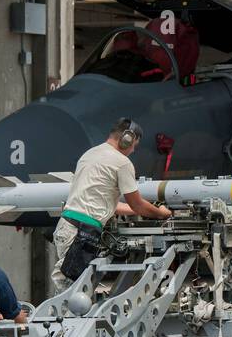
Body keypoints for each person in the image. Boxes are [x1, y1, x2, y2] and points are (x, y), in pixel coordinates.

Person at [52, 117, 172, 291]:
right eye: (133, 145)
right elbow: (137, 204)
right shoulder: (122, 163)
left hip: (68, 227)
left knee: (75, 289)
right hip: (81, 233)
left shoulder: (90, 154)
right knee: (72, 293)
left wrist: (137, 209)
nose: (132, 151)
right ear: (127, 139)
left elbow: (110, 205)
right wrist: (161, 213)